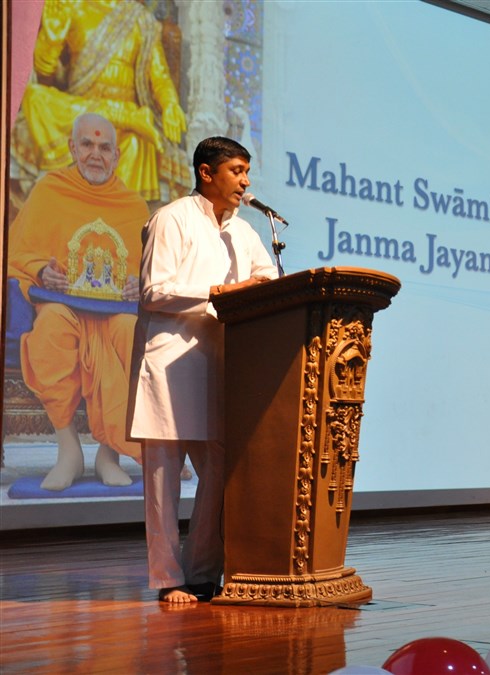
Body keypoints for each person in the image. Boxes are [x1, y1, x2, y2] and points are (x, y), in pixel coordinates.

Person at [129, 136, 277, 603]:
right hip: (170, 363)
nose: (246, 181)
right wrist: (220, 291)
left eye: (247, 171)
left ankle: (202, 573)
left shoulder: (245, 231)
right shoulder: (171, 219)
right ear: (206, 173)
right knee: (163, 480)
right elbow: (154, 291)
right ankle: (167, 578)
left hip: (220, 365)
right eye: (236, 170)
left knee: (217, 474)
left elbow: (268, 284)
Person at [7, 113, 147, 491]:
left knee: (130, 330)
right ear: (72, 147)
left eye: (104, 148)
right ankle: (69, 449)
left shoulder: (132, 205)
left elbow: (147, 270)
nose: (95, 154)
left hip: (112, 313)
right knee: (51, 327)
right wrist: (41, 271)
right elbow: (19, 252)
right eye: (87, 144)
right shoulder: (49, 190)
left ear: (117, 156)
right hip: (61, 304)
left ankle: (109, 453)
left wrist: (139, 284)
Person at [11, 0, 189, 201]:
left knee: (135, 144)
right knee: (34, 96)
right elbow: (46, 77)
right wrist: (51, 38)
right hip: (78, 113)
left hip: (123, 132)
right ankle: (124, 115)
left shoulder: (142, 20)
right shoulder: (75, 7)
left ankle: (123, 118)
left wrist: (170, 104)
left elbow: (160, 76)